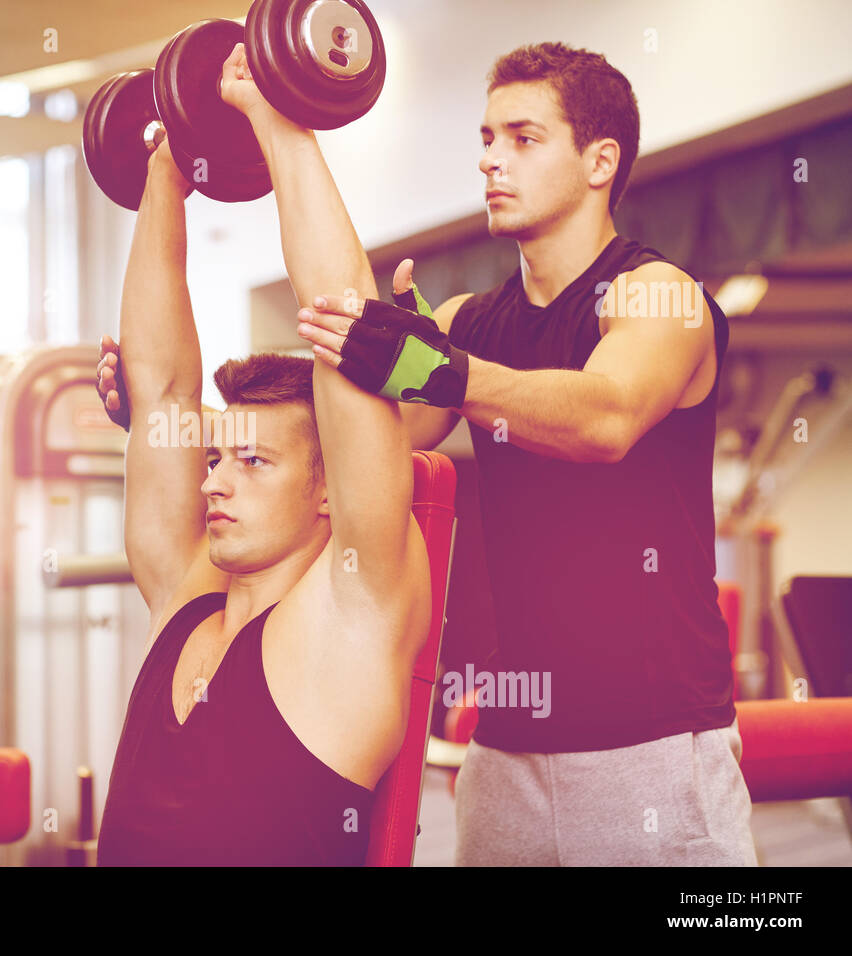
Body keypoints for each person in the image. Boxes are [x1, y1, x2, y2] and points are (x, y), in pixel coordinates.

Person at [101, 41, 756, 866]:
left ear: (600, 161)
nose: (491, 160)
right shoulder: (467, 320)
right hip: (506, 746)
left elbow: (607, 417)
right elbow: (350, 447)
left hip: (652, 747)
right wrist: (168, 429)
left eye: (522, 138)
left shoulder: (657, 295)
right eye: (485, 138)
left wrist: (439, 370)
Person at [94, 44, 431, 865]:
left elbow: (344, 323)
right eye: (218, 460)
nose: (215, 482)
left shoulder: (351, 614)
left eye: (254, 463)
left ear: (329, 491)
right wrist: (166, 174)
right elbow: (166, 391)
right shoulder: (185, 592)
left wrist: (280, 123)